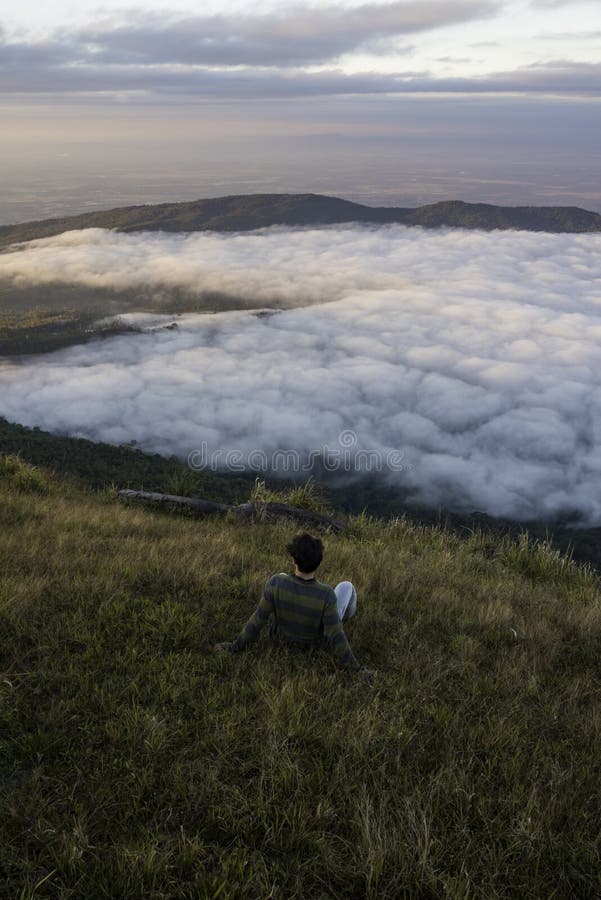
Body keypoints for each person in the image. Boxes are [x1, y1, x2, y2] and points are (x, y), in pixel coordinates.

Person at [213, 531, 375, 682]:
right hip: (314, 643)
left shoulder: (276, 583)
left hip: (281, 638)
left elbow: (258, 619)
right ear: (319, 561)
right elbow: (336, 635)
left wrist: (235, 646)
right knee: (346, 586)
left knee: (283, 576)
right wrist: (357, 670)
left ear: (293, 559)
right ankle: (347, 616)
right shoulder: (326, 594)